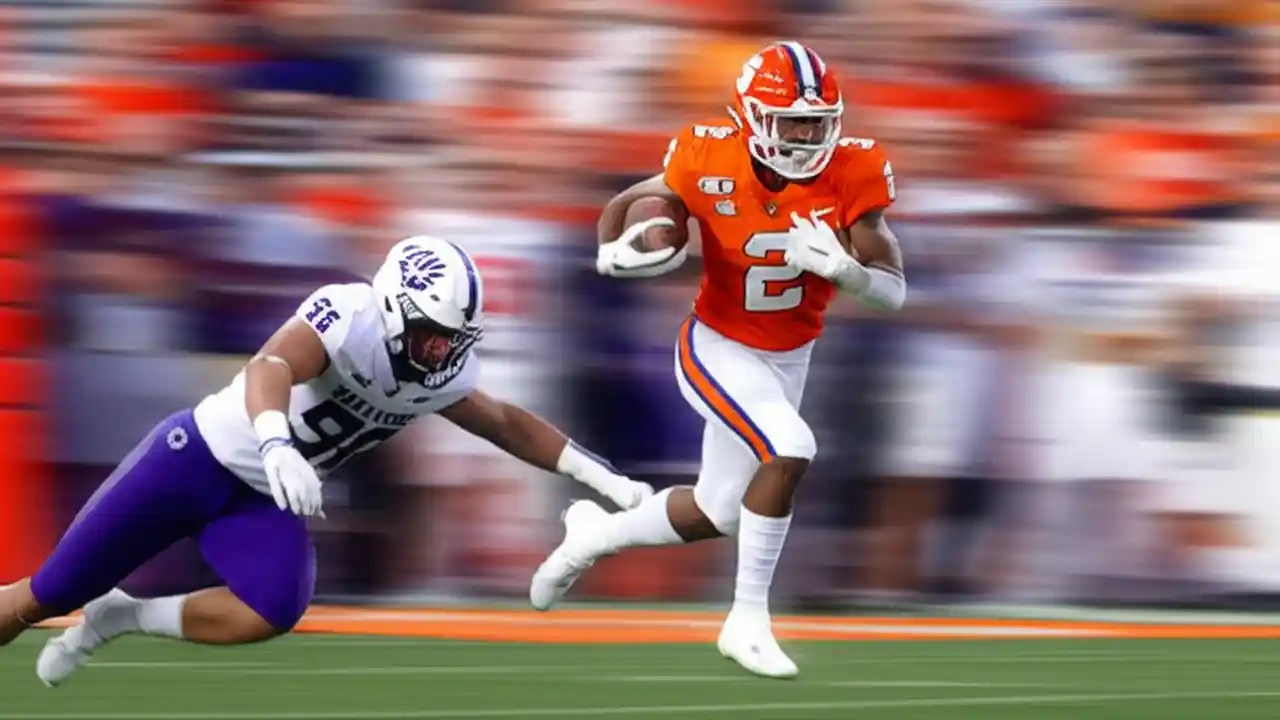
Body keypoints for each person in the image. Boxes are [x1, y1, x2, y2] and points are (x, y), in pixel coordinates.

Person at [0, 236, 652, 687]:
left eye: (453, 340)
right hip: (195, 460)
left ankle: (124, 616)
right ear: (393, 310)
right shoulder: (348, 314)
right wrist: (276, 442)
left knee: (271, 607)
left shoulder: (440, 372)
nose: (442, 353)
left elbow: (505, 423)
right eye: (433, 336)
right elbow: (272, 365)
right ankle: (74, 605)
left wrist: (600, 475)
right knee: (46, 595)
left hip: (264, 498)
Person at [529, 42, 906, 678]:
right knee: (791, 446)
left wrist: (847, 272)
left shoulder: (854, 168)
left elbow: (893, 292)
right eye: (792, 123)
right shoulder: (708, 153)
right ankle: (746, 621)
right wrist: (620, 247)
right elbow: (635, 204)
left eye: (817, 122)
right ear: (753, 118)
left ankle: (592, 536)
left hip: (790, 357)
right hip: (718, 344)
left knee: (720, 511)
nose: (806, 136)